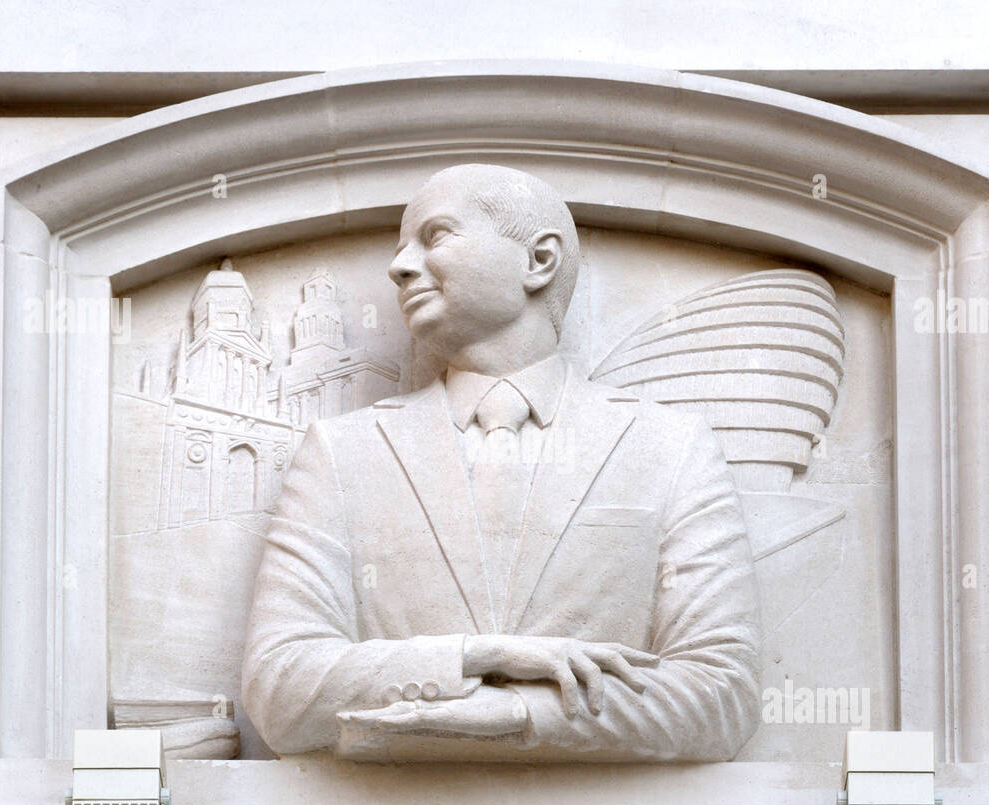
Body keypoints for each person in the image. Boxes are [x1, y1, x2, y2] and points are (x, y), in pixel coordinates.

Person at [242, 163, 762, 761]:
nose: (399, 266)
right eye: (401, 246)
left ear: (539, 261)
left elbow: (724, 691)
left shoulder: (669, 446)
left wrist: (520, 715)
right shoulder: (341, 451)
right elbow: (279, 688)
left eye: (435, 235)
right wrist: (471, 657)